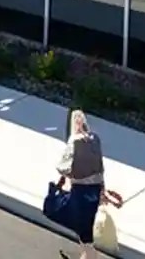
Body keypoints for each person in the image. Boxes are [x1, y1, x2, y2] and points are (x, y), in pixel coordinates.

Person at [57, 110, 123, 259]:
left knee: (84, 234)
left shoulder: (74, 141)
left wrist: (63, 178)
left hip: (80, 191)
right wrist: (103, 188)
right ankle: (86, 255)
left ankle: (89, 255)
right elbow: (100, 167)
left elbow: (63, 167)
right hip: (93, 190)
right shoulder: (95, 140)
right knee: (85, 230)